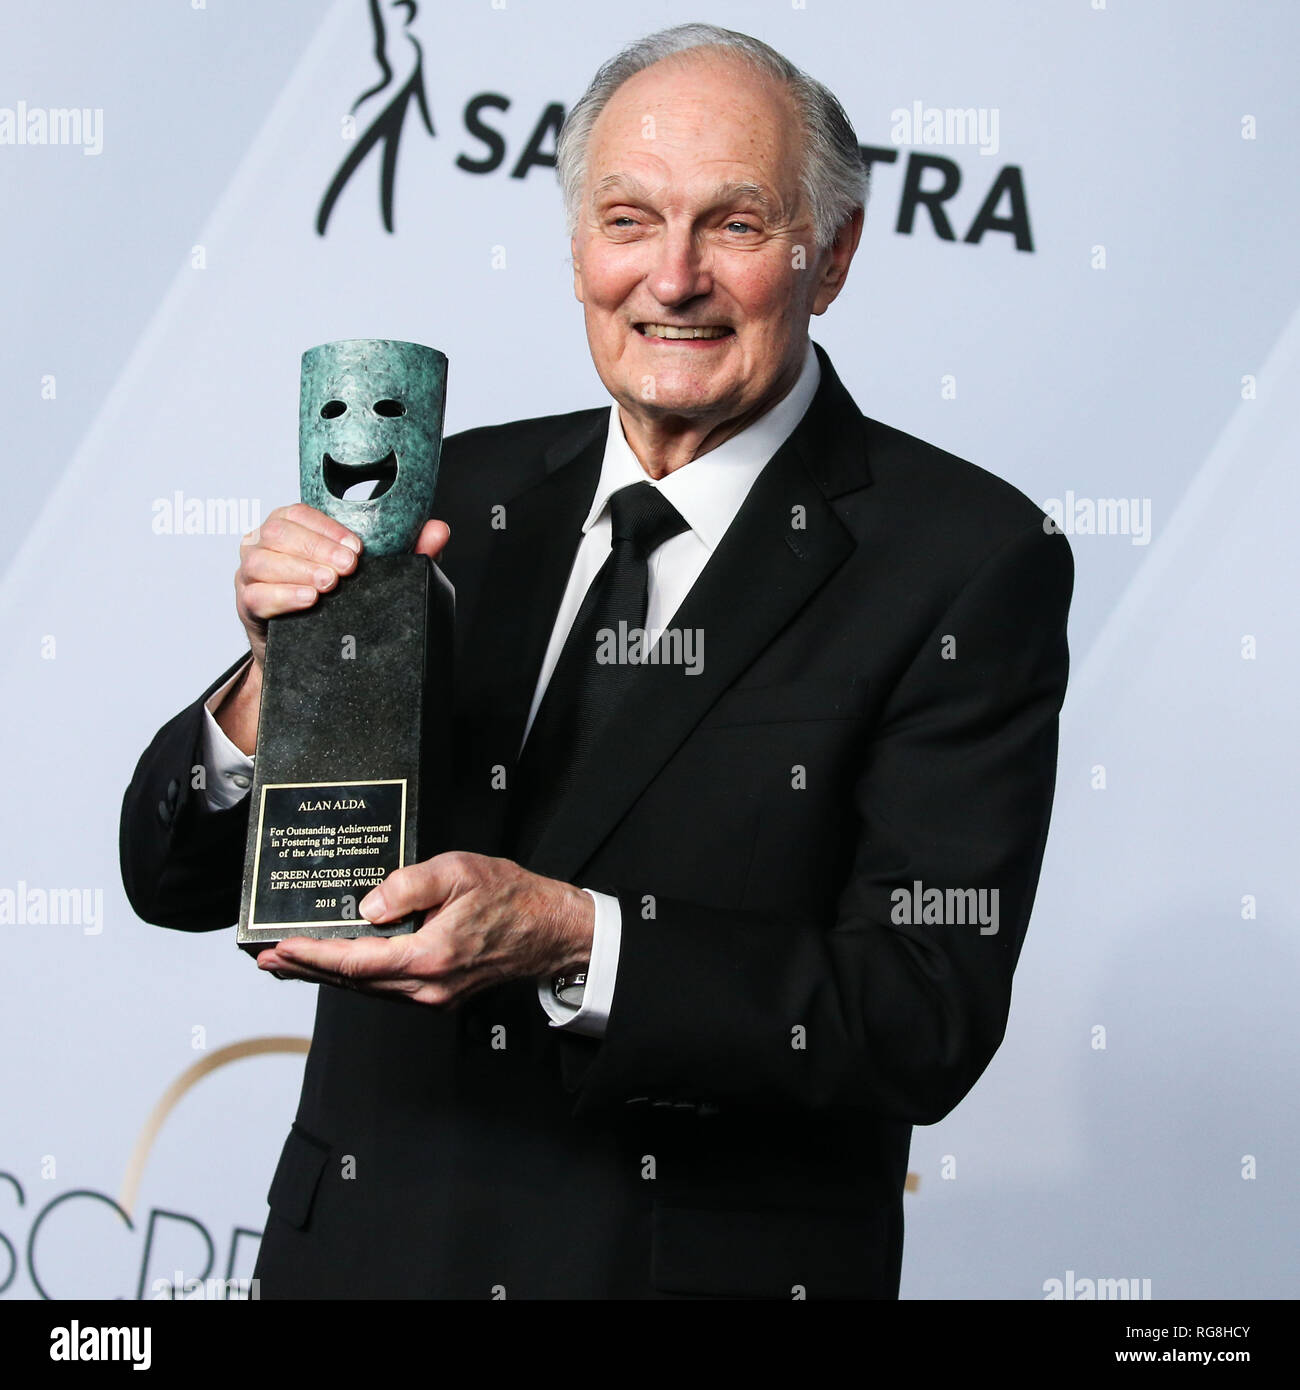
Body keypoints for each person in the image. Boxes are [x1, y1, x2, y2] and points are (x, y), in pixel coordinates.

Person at [120, 23, 1072, 1299]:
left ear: (829, 256)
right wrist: (274, 682)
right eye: (629, 219)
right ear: (576, 249)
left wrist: (574, 939)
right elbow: (175, 874)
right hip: (359, 1260)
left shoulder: (966, 555)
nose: (669, 279)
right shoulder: (455, 486)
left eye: (733, 226)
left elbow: (921, 1012)